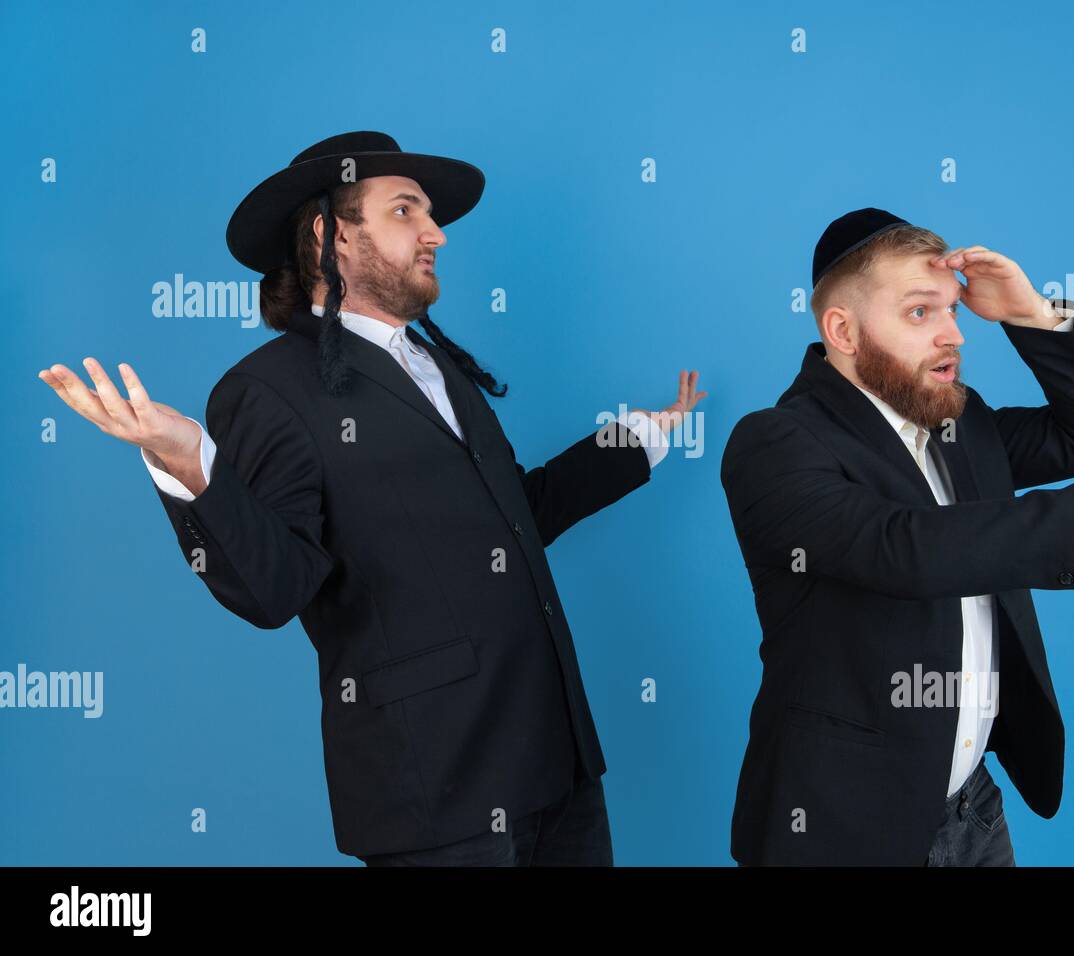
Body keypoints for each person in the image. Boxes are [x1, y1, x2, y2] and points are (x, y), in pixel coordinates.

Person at [38, 131, 706, 866]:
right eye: (405, 211)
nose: (437, 233)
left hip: (559, 764)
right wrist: (188, 462)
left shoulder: (441, 367)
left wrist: (638, 439)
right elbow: (274, 588)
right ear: (332, 235)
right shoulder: (266, 391)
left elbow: (515, 517)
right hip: (436, 789)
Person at [720, 207, 1074, 866]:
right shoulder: (775, 442)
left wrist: (1032, 314)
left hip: (972, 807)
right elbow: (905, 549)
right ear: (843, 330)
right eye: (919, 313)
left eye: (954, 312)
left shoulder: (961, 423)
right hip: (846, 823)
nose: (953, 335)